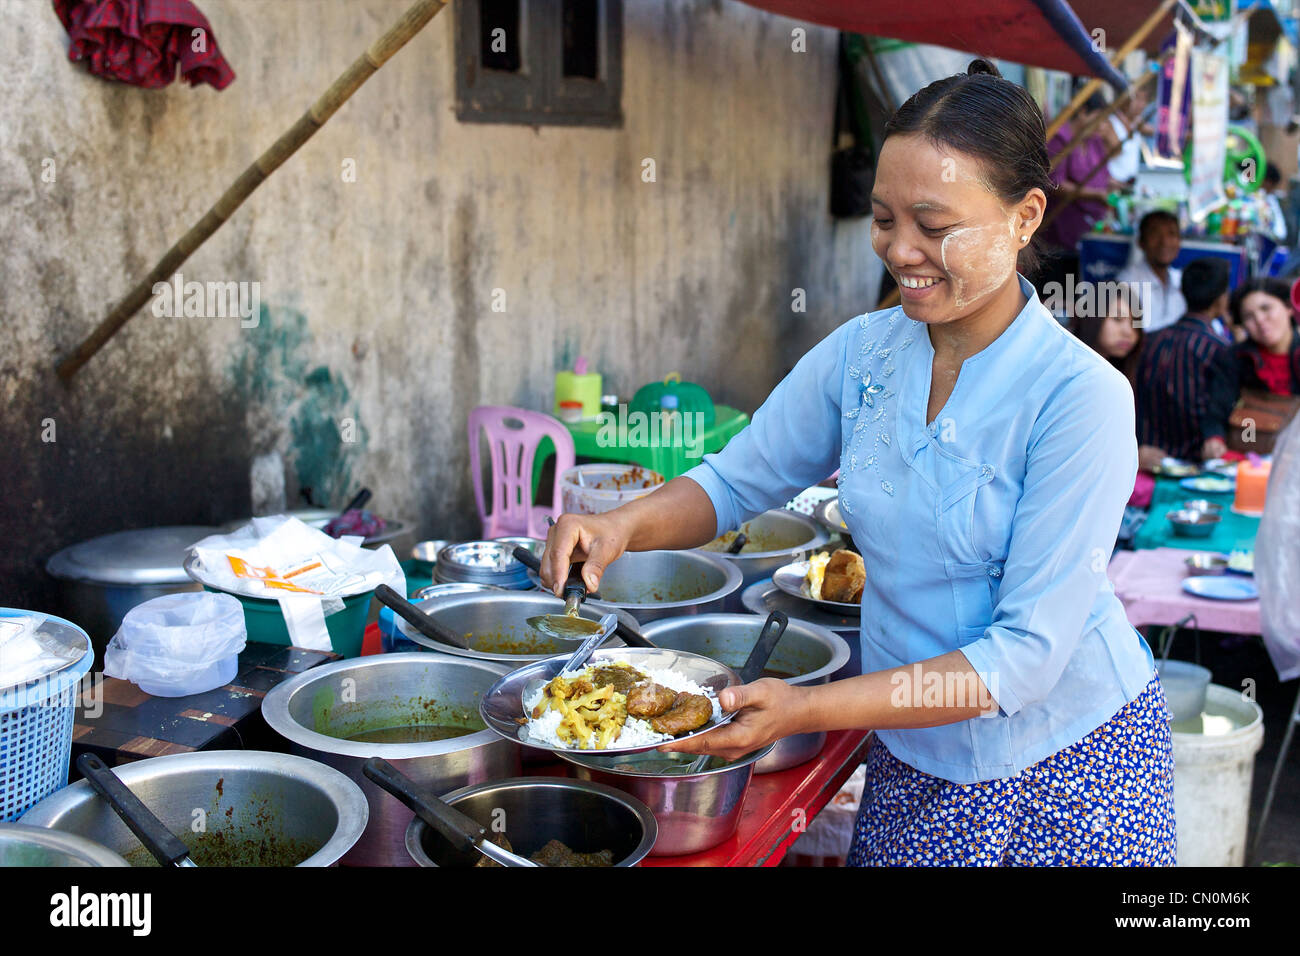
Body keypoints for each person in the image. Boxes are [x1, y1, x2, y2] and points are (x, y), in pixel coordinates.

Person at [542, 60, 1174, 867]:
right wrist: (620, 523)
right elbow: (738, 480)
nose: (900, 250)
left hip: (1067, 773)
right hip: (914, 751)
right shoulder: (864, 356)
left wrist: (808, 709)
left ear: (1025, 217)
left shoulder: (1080, 399)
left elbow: (1022, 661)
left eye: (934, 225)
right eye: (882, 219)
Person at [1136, 257, 1238, 461]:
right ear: (1221, 299)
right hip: (1198, 465)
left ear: (1183, 293)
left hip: (1147, 460)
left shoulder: (1149, 340)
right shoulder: (1220, 349)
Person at [1036, 92, 1119, 297]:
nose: (1101, 125)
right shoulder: (1060, 139)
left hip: (1087, 233)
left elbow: (1103, 173)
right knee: (1058, 295)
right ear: (1083, 112)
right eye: (1097, 118)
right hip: (1058, 234)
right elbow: (1055, 184)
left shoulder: (1093, 140)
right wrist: (1095, 195)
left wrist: (1118, 186)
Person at [1117, 210, 1186, 333]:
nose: (1164, 242)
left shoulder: (1182, 280)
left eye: (1172, 234)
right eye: (1155, 234)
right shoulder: (1127, 282)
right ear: (1141, 242)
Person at [1230, 277, 1300, 395]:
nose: (1259, 320)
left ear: (1288, 307)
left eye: (1265, 308)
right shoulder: (1235, 360)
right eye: (1248, 316)